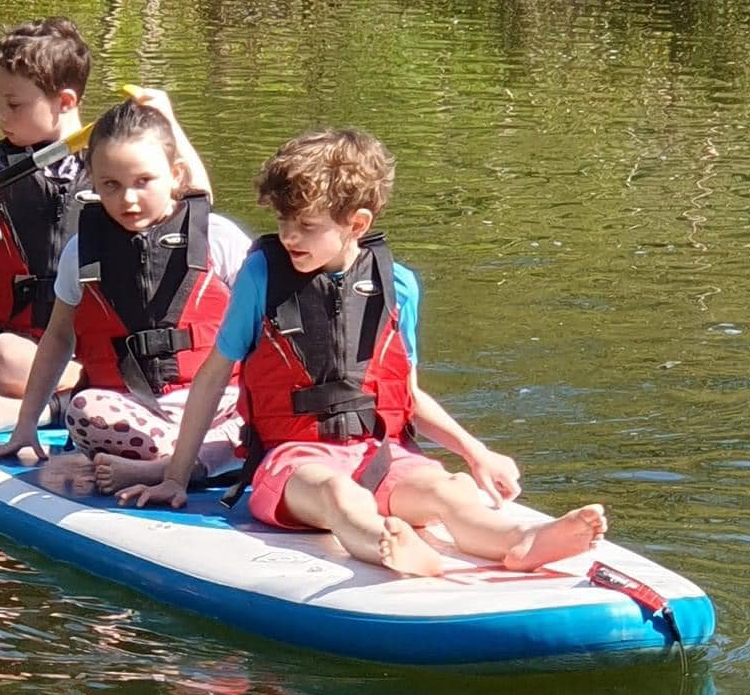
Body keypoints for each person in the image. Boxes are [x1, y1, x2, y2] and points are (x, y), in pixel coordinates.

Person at [118, 126, 608, 579]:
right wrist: (176, 477)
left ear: (357, 223)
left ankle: (521, 541)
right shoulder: (261, 278)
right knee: (337, 494)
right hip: (293, 462)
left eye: (306, 224)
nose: (289, 235)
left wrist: (474, 452)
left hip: (381, 455)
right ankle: (386, 544)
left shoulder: (397, 286)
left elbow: (406, 394)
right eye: (285, 220)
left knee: (449, 490)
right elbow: (211, 378)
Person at [0, 18, 211, 427]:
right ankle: (83, 396)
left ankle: (63, 403)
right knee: (0, 357)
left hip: (103, 346)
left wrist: (169, 123)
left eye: (13, 104)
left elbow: (198, 208)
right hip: (26, 353)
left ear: (65, 102)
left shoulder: (112, 161)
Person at [0, 95, 249, 493]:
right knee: (86, 412)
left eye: (143, 182)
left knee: (258, 416)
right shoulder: (81, 251)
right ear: (93, 181)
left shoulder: (219, 238)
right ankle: (185, 462)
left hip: (220, 405)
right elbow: (57, 338)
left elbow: (266, 326)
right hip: (140, 413)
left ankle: (175, 465)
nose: (128, 199)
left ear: (175, 175)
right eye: (111, 185)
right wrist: (26, 425)